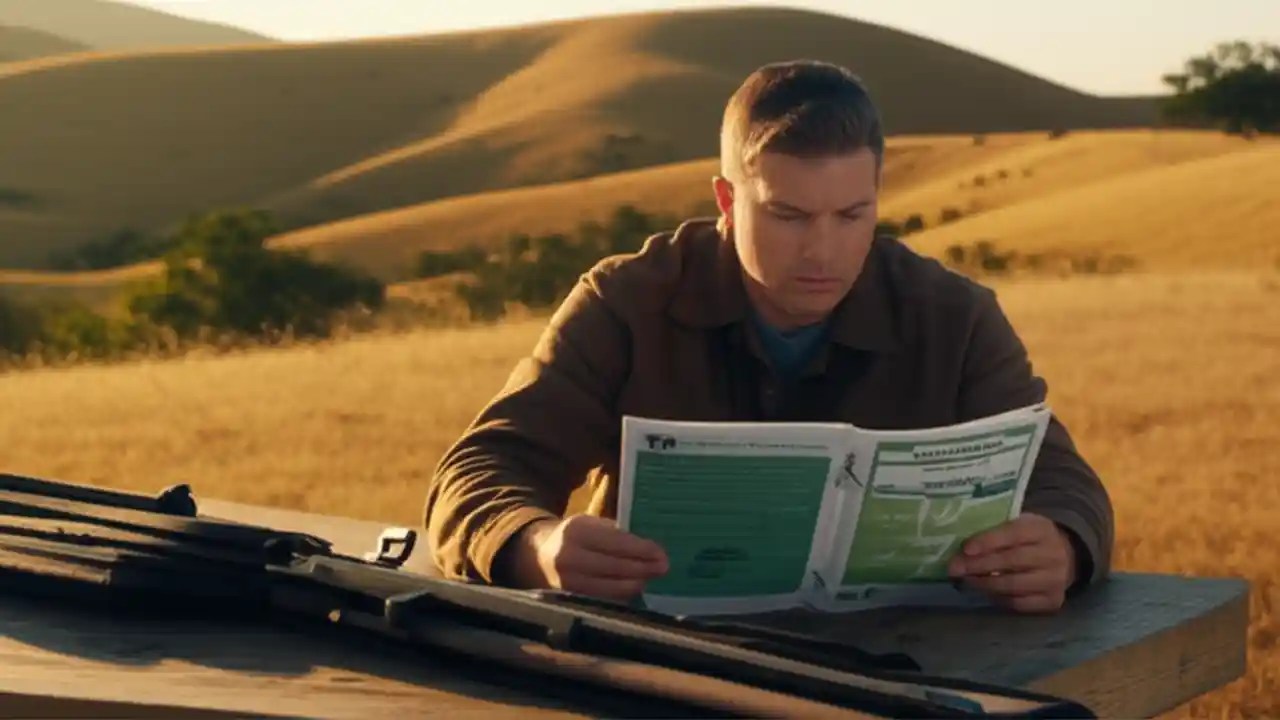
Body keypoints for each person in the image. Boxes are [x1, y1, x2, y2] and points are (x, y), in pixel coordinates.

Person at [422, 60, 1114, 614]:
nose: (823, 250)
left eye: (852, 215)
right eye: (787, 216)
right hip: (661, 660)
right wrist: (535, 546)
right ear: (726, 201)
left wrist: (1062, 545)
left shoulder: (953, 316)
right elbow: (478, 472)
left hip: (903, 665)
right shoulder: (628, 301)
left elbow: (1061, 482)